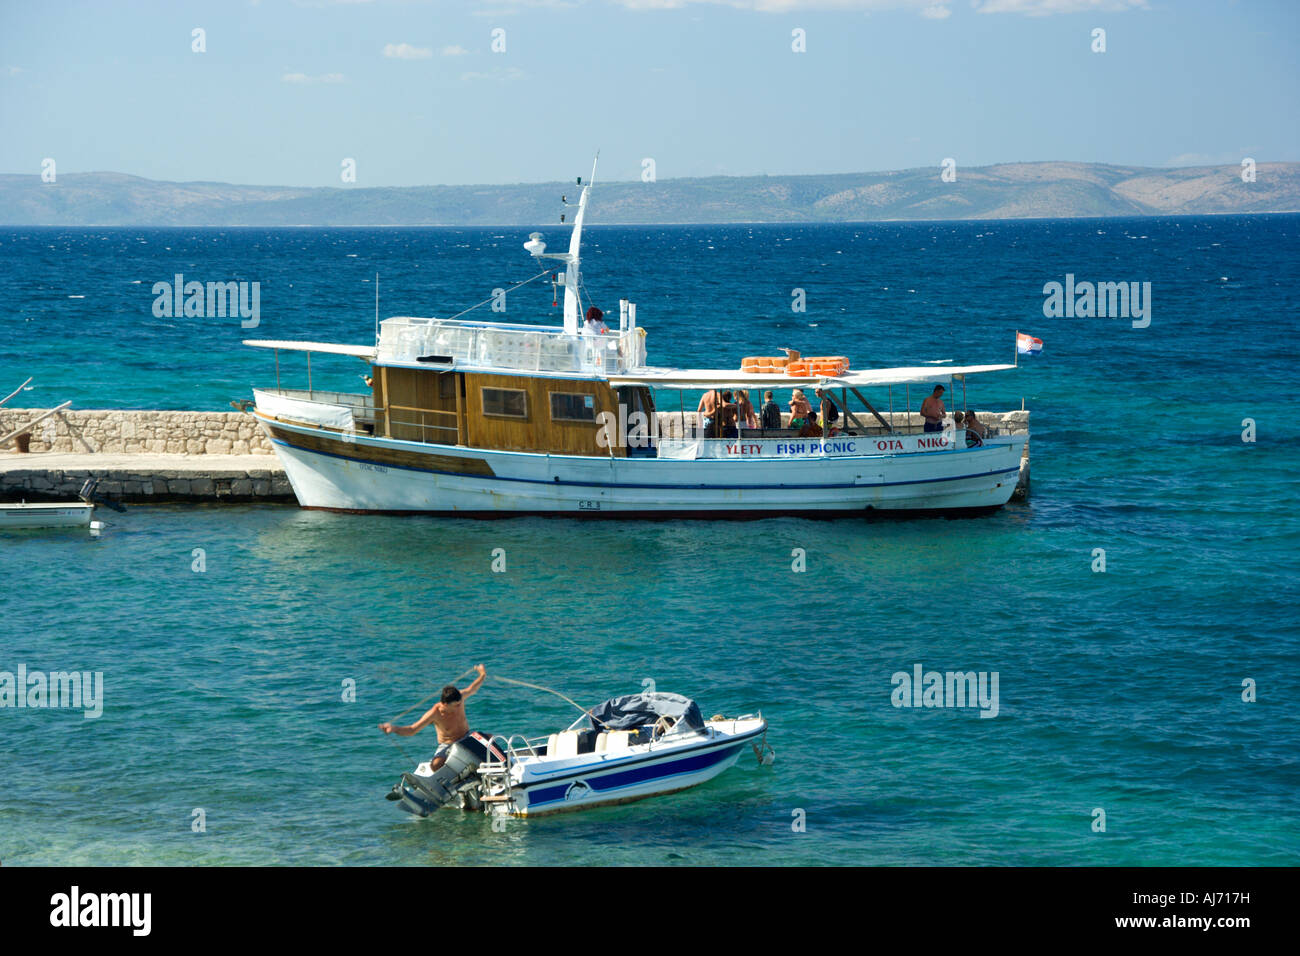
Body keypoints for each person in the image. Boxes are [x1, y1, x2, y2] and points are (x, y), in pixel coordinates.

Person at [379, 664, 487, 771]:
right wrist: (393, 729)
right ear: (445, 704)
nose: (459, 706)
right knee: (435, 765)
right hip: (448, 744)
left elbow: (473, 688)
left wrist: (482, 674)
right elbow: (412, 730)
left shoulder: (460, 697)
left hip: (466, 736)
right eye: (456, 705)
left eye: (460, 703)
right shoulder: (434, 714)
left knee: (489, 739)